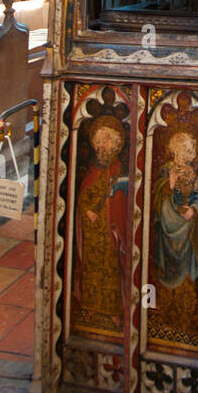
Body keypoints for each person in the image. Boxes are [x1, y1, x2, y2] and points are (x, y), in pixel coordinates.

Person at [73, 115, 128, 334]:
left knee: (111, 268)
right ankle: (92, 307)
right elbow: (83, 193)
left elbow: (121, 195)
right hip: (91, 228)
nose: (104, 145)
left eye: (108, 141)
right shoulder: (93, 169)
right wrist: (86, 208)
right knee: (92, 267)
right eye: (101, 141)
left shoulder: (117, 168)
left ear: (116, 144)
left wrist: (110, 203)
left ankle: (114, 311)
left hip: (109, 228)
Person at [152, 129, 198, 328]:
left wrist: (194, 210)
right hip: (167, 232)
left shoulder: (194, 174)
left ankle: (186, 317)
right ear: (174, 151)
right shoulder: (166, 170)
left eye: (189, 151)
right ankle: (166, 317)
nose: (185, 154)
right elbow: (157, 194)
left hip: (187, 233)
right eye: (182, 150)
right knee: (167, 274)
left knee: (187, 276)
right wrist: (169, 184)